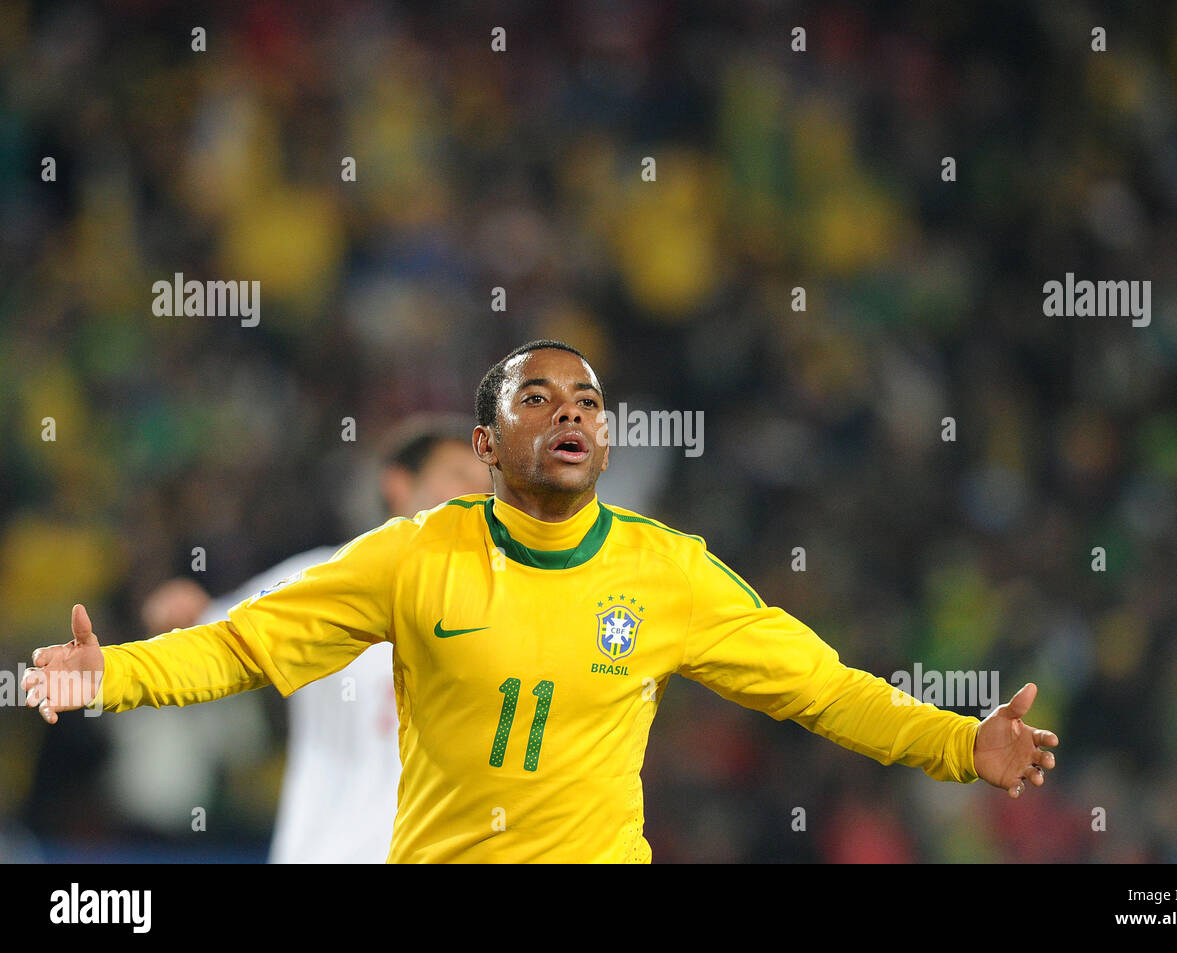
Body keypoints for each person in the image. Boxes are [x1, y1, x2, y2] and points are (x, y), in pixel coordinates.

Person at [25, 340, 1059, 863]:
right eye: (536, 398)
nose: (568, 411)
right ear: (485, 448)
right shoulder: (408, 555)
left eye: (587, 402)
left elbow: (820, 689)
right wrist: (112, 671)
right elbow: (242, 647)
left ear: (604, 440)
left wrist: (957, 744)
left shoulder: (668, 571)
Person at [129, 413, 491, 862]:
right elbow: (213, 635)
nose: (477, 496)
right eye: (458, 475)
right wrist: (180, 613)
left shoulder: (507, 606)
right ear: (398, 485)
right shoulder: (322, 581)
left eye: (487, 485)